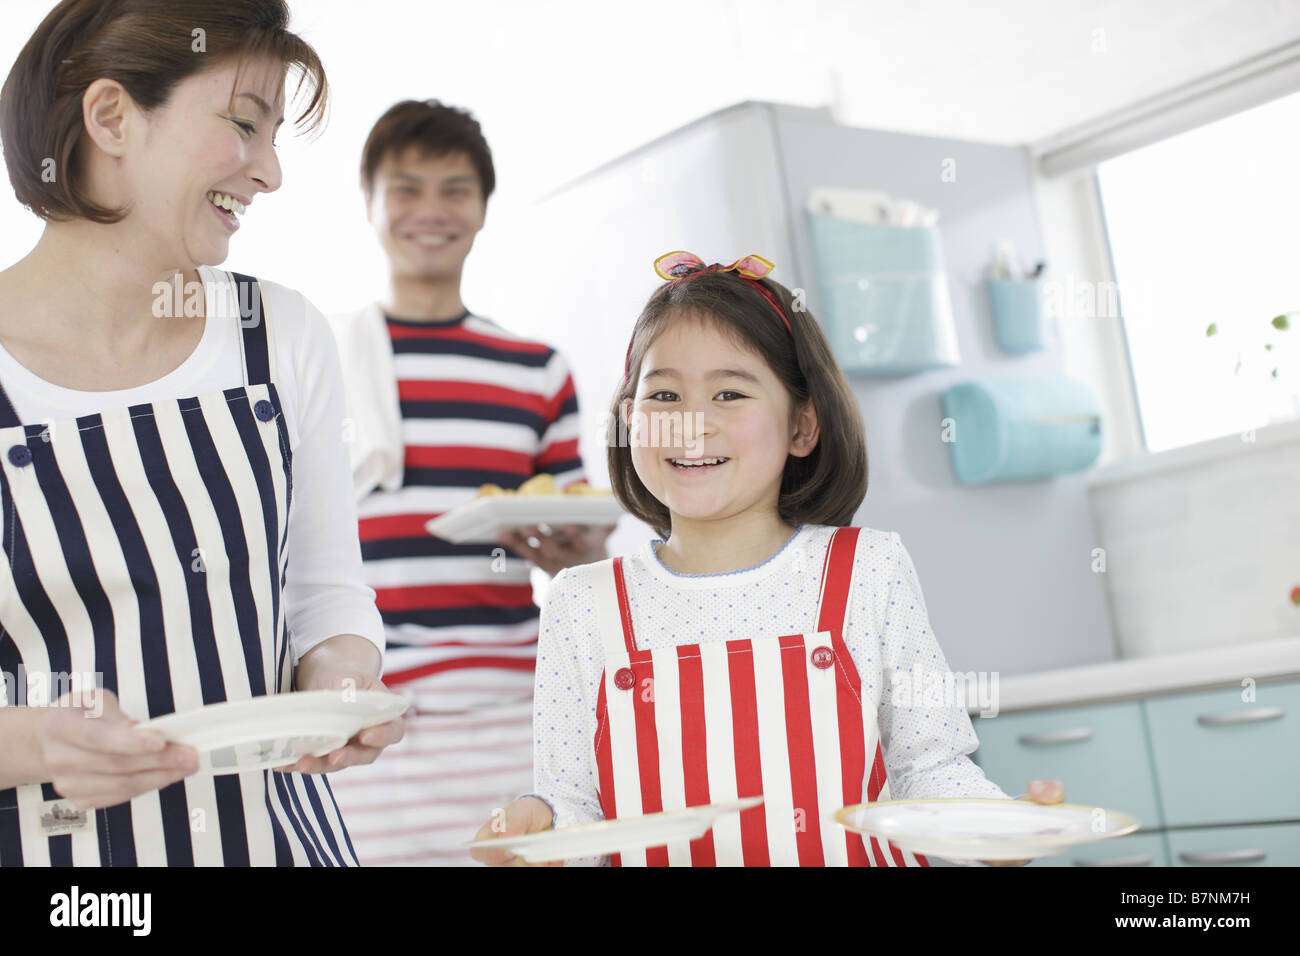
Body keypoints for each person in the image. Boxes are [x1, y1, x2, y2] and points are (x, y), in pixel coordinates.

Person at [471, 251, 1064, 866]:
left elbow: (929, 770)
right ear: (629, 422)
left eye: (729, 392)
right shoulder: (580, 602)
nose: (690, 424)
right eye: (665, 395)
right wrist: (538, 830)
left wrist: (993, 828)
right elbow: (573, 811)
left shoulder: (867, 569)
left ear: (803, 426)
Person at [0, 0, 402, 866]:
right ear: (111, 117)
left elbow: (327, 594)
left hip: (280, 846)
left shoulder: (281, 333)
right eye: (244, 125)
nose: (269, 173)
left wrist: (342, 679)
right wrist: (32, 742)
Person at [324, 100, 614, 866]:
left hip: (512, 717)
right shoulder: (317, 363)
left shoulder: (536, 369)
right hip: (372, 720)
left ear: (483, 208)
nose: (431, 210)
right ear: (370, 203)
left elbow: (581, 556)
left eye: (455, 189)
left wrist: (579, 553)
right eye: (407, 188)